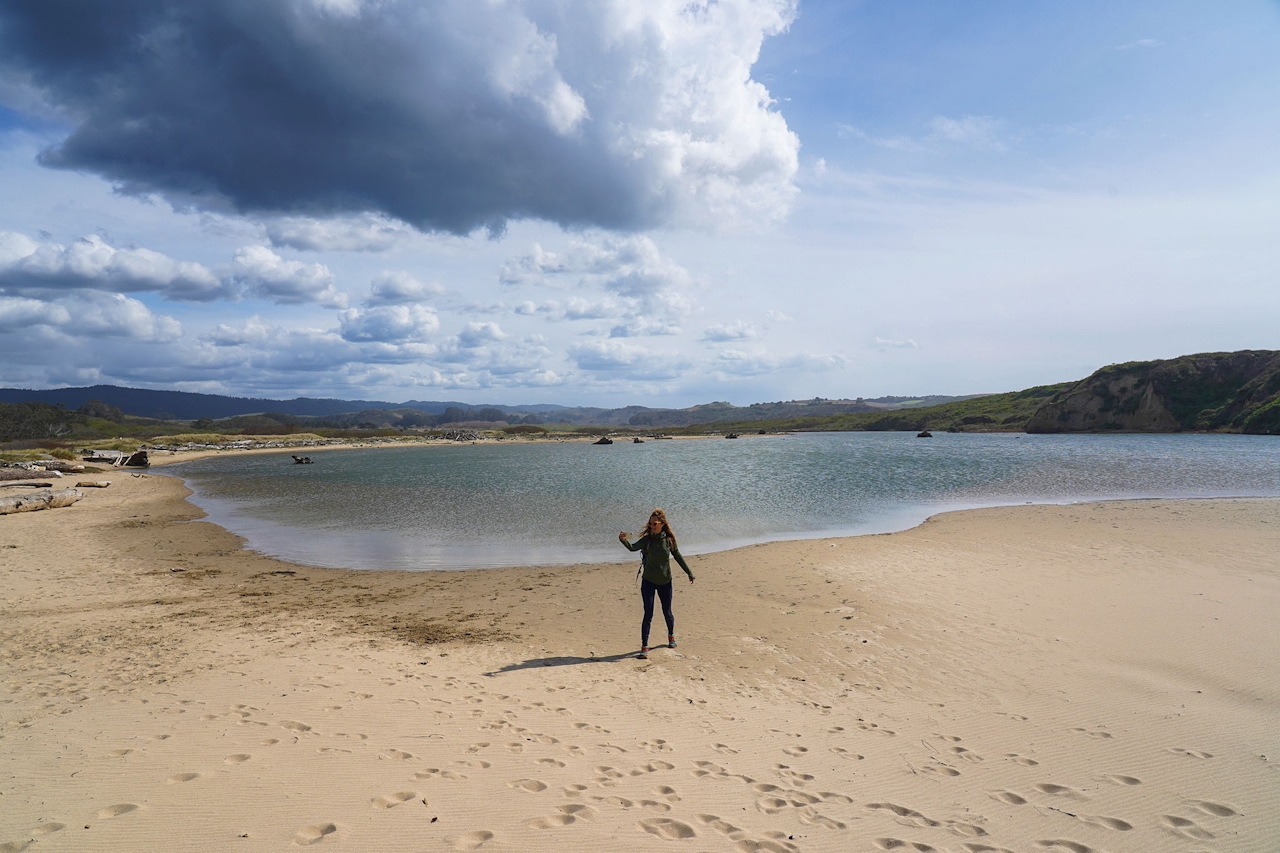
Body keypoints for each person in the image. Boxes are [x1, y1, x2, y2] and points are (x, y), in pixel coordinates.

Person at [618, 508, 695, 659]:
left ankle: (671, 636)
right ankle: (644, 646)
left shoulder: (668, 541)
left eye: (655, 523)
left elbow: (677, 556)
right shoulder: (647, 540)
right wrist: (623, 540)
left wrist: (689, 572)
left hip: (665, 581)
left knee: (667, 611)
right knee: (648, 614)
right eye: (651, 523)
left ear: (662, 524)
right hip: (648, 582)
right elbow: (633, 548)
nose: (652, 526)